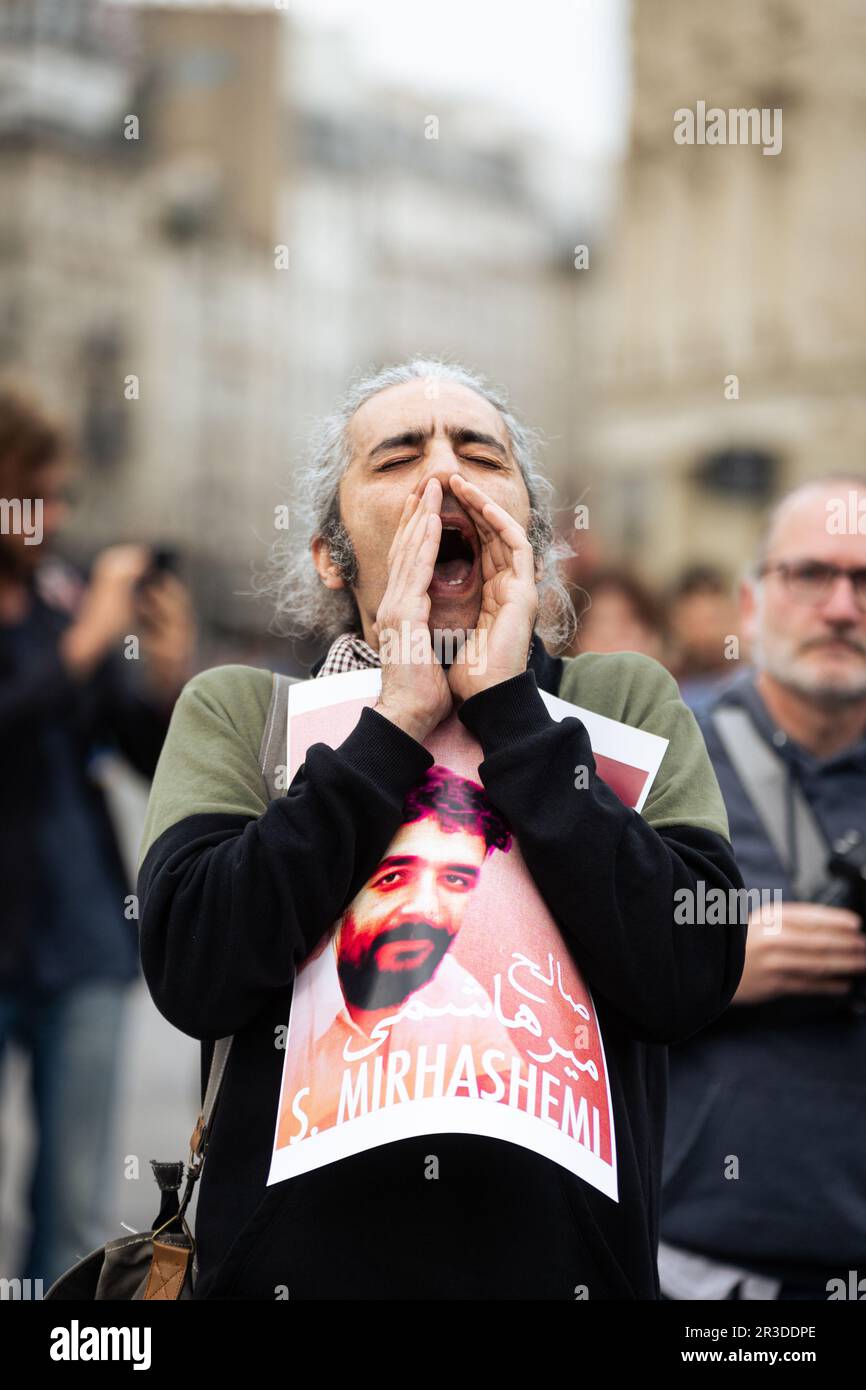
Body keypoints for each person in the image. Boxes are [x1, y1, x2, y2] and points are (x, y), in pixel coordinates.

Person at [137, 356, 746, 1300]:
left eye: (479, 455)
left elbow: (689, 971)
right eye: (396, 458)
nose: (443, 476)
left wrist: (511, 713)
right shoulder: (243, 714)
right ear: (332, 556)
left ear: (528, 535)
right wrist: (392, 727)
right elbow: (196, 966)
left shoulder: (621, 699)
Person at [0, 380, 196, 1288]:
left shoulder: (62, 601)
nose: (59, 515)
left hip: (78, 940)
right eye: (44, 491)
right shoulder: (70, 624)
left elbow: (149, 757)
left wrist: (160, 677)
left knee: (73, 1202)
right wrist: (86, 642)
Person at [660, 475, 866, 1301]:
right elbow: (550, 985)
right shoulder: (659, 761)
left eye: (864, 582)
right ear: (751, 601)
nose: (842, 607)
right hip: (708, 1267)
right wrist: (706, 968)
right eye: (809, 574)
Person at [277, 765, 521, 1140]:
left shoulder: (459, 997)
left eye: (455, 880)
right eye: (393, 877)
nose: (425, 909)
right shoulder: (289, 999)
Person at [666, 565, 742, 716]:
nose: (706, 635)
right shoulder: (665, 690)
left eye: (713, 620)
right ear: (675, 622)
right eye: (694, 623)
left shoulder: (750, 685)